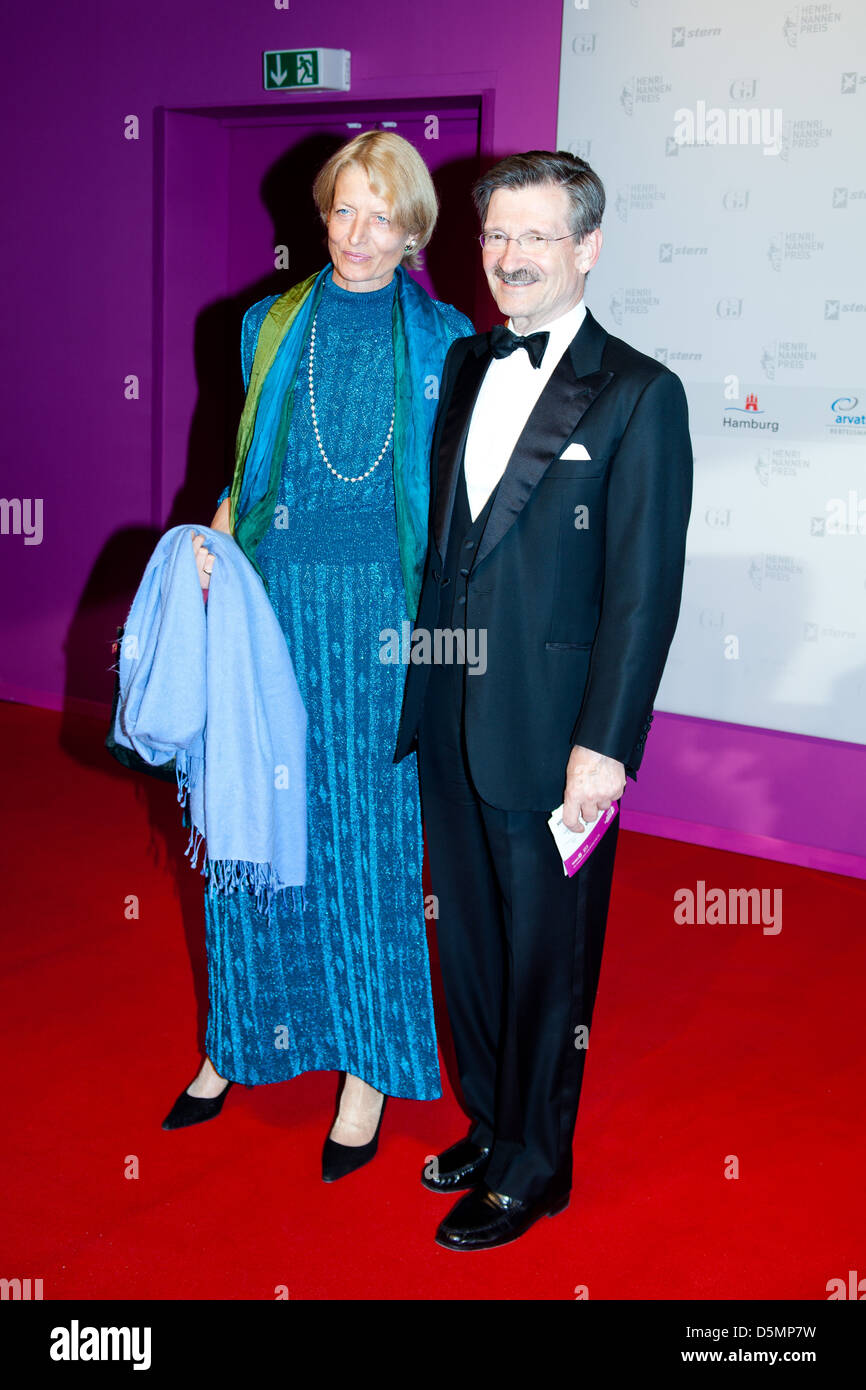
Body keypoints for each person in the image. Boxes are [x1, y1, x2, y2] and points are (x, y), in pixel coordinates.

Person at [161, 131, 474, 1181]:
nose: (358, 235)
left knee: (371, 838)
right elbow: (245, 469)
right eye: (344, 209)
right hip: (272, 607)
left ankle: (369, 1067)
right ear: (320, 212)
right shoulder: (264, 323)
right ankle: (240, 1037)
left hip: (385, 617)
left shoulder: (442, 339)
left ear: (413, 229)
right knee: (253, 821)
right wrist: (214, 539)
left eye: (382, 215)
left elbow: (460, 507)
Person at [395, 150, 693, 1248]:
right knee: (470, 943)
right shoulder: (471, 364)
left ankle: (536, 1165)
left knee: (546, 957)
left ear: (586, 247)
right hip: (449, 715)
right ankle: (490, 1117)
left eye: (534, 236)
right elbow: (450, 545)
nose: (510, 257)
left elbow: (641, 595)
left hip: (557, 734)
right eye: (494, 237)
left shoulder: (637, 395)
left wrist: (604, 747)